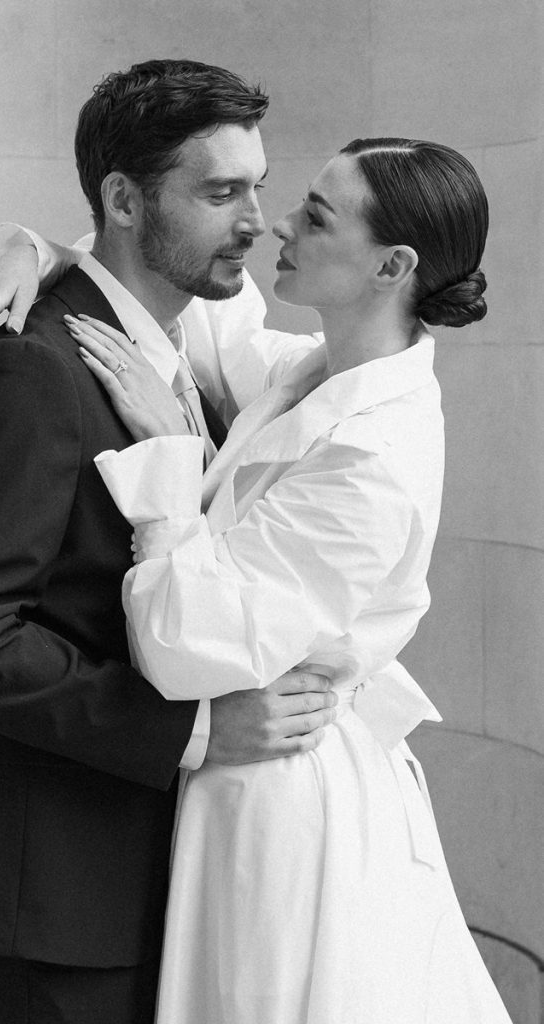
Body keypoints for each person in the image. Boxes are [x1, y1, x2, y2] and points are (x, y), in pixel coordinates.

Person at [0, 60, 339, 1024]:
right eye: (221, 192)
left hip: (156, 887)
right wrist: (196, 733)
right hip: (51, 904)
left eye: (258, 188)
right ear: (125, 199)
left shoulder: (194, 360)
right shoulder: (29, 365)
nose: (256, 221)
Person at [58, 138, 513, 1022]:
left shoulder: (375, 450)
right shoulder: (320, 369)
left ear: (393, 264)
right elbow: (205, 310)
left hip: (284, 790)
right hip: (249, 769)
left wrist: (167, 460)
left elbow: (183, 647)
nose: (276, 227)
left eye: (317, 215)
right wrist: (33, 248)